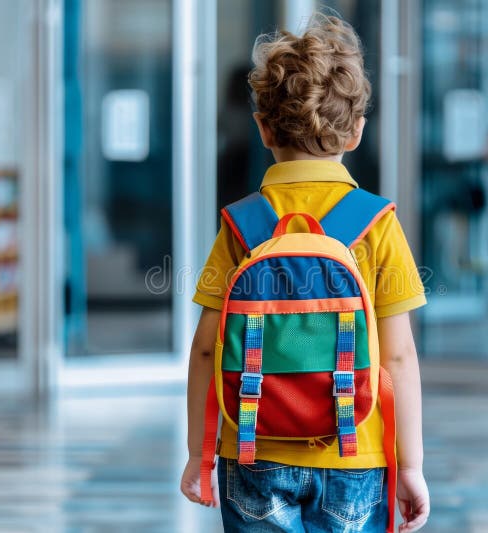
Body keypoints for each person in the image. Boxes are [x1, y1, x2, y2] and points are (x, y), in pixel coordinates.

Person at [180, 13, 430, 532]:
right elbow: (400, 356)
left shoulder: (241, 224)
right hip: (354, 451)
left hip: (251, 448)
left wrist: (199, 454)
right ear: (358, 131)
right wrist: (410, 466)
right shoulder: (378, 225)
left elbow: (206, 348)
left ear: (263, 126)